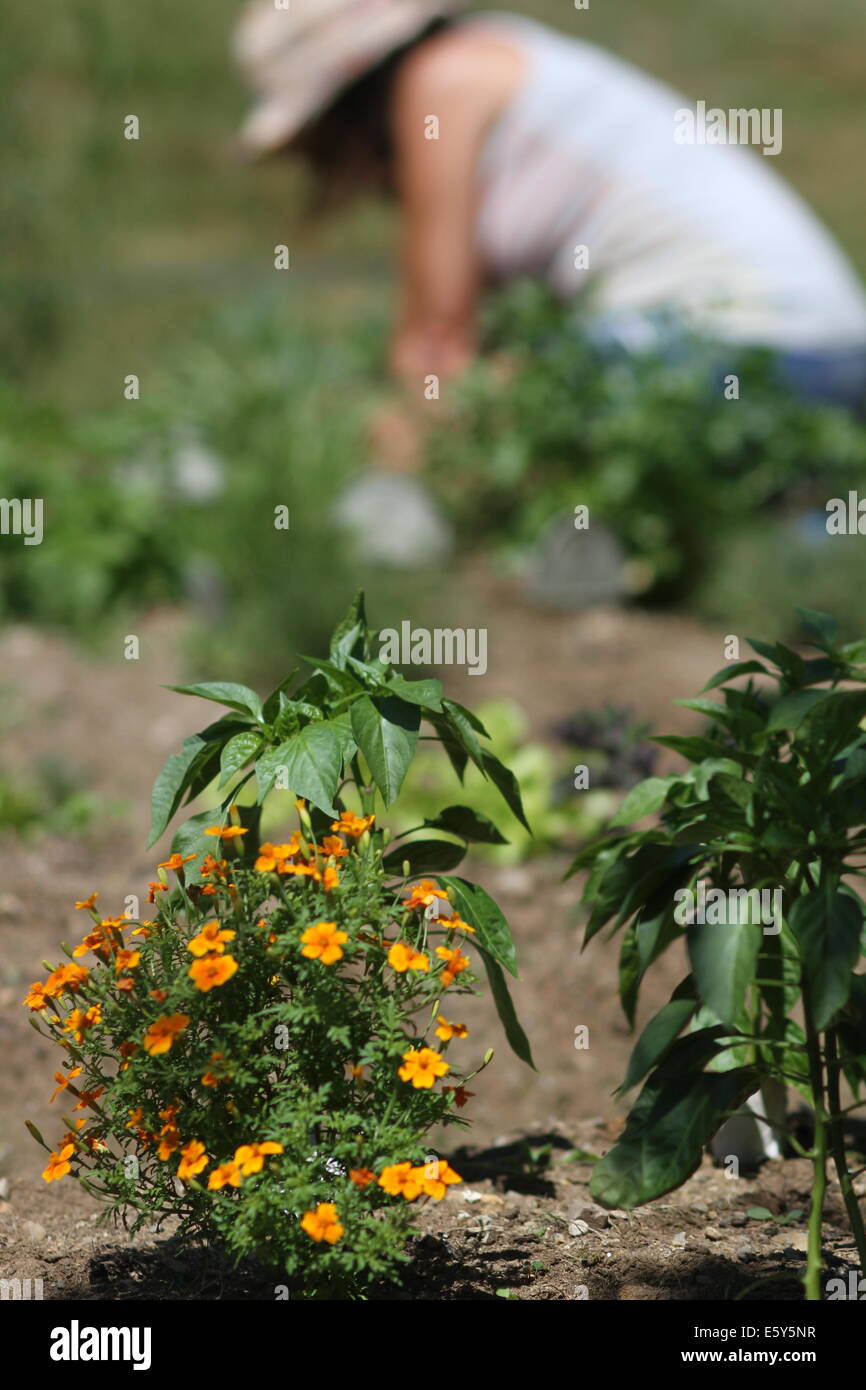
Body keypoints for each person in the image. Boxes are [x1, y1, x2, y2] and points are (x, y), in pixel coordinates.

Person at [233, 0, 866, 412]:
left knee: (503, 412)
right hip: (832, 346)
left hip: (719, 349)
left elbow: (435, 346)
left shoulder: (441, 82)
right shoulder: (506, 56)